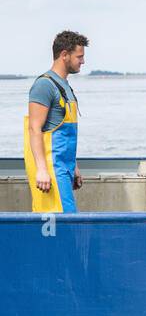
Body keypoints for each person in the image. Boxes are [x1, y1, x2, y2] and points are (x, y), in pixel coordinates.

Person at [25, 30, 88, 213]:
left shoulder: (65, 86)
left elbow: (66, 134)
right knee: (58, 224)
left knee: (66, 221)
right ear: (64, 55)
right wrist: (42, 170)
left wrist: (74, 166)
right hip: (51, 170)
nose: (82, 61)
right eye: (79, 56)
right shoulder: (44, 85)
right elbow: (34, 129)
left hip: (65, 168)